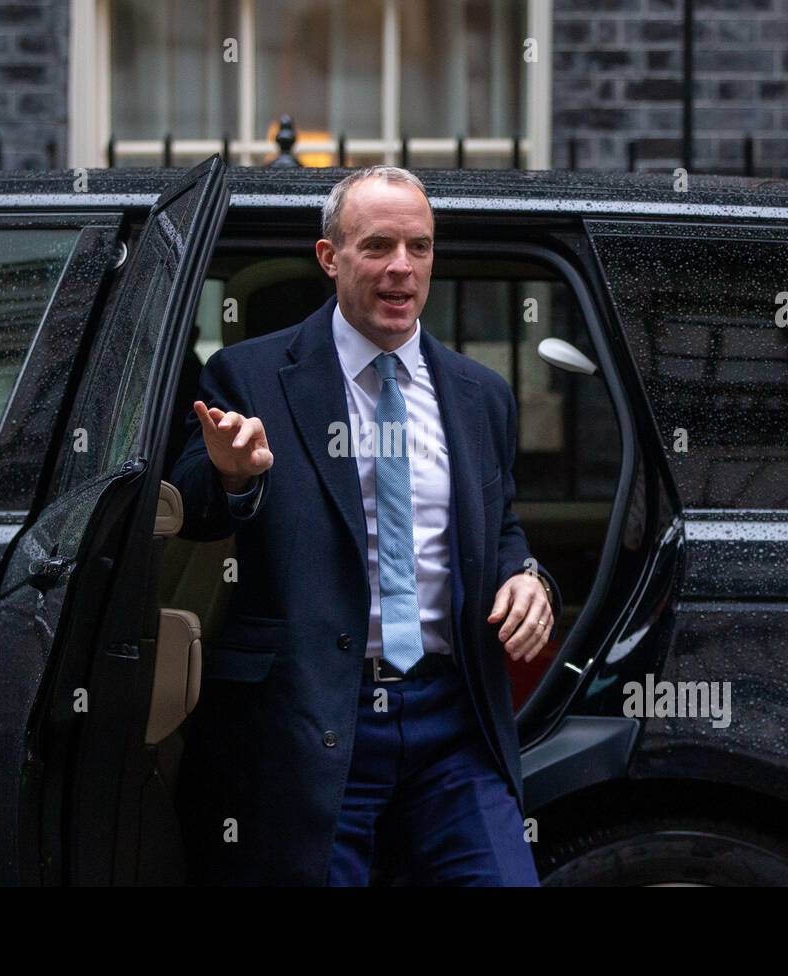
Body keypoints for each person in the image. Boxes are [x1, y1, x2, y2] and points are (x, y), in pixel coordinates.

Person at [171, 165, 555, 885]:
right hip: (312, 716)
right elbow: (187, 506)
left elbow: (502, 534)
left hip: (453, 722)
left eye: (420, 247)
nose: (401, 268)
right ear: (330, 258)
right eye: (377, 246)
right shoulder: (250, 377)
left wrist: (528, 580)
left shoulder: (481, 396)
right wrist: (231, 474)